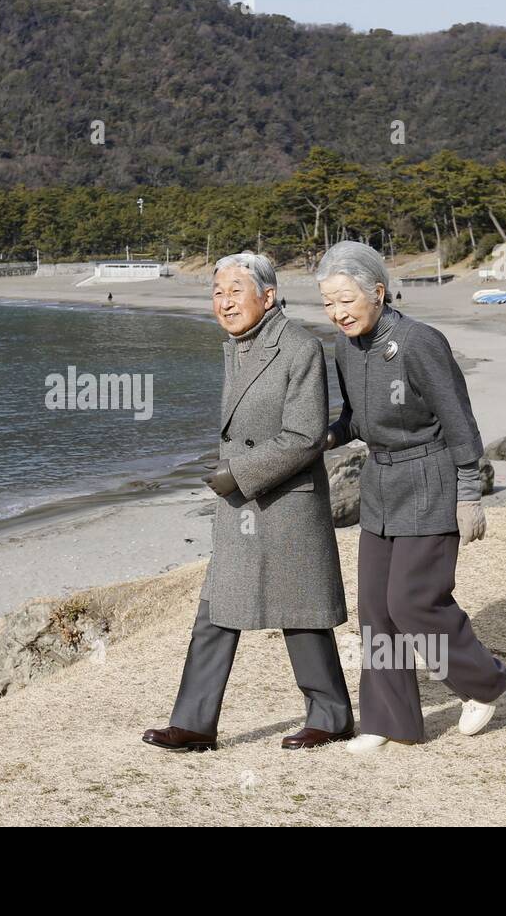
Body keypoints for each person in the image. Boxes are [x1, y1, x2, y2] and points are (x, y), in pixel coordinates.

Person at [143, 252, 352, 752]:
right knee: (216, 610)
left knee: (302, 612)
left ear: (269, 295)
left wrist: (236, 473)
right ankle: (194, 724)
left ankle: (332, 716)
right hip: (244, 505)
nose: (225, 301)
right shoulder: (240, 345)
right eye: (217, 292)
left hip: (285, 501)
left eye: (236, 290)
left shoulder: (298, 347)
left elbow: (305, 437)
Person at [318, 240, 506, 753]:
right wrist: (332, 435)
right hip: (379, 487)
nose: (338, 313)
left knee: (412, 601)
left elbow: (459, 422)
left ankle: (483, 683)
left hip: (430, 482)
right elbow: (359, 416)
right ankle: (390, 719)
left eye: (346, 300)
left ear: (377, 292)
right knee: (376, 611)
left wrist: (469, 495)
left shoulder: (420, 341)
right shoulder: (343, 346)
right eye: (328, 303)